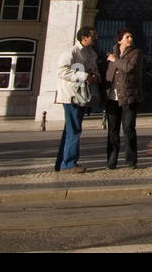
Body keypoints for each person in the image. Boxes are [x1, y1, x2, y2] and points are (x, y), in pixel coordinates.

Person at [54, 26, 99, 173]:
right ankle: (69, 164)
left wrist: (95, 76)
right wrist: (84, 76)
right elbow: (62, 71)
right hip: (71, 96)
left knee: (70, 130)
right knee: (74, 130)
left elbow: (93, 69)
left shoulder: (91, 53)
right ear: (84, 37)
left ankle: (61, 163)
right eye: (93, 36)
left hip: (82, 96)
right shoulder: (71, 52)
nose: (96, 38)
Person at [104, 30, 141, 170]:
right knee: (112, 131)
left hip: (128, 97)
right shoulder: (111, 54)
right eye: (127, 37)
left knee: (128, 129)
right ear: (119, 40)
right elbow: (107, 72)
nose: (130, 38)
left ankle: (131, 161)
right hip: (112, 98)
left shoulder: (136, 53)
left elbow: (128, 67)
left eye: (131, 36)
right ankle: (111, 161)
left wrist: (115, 60)